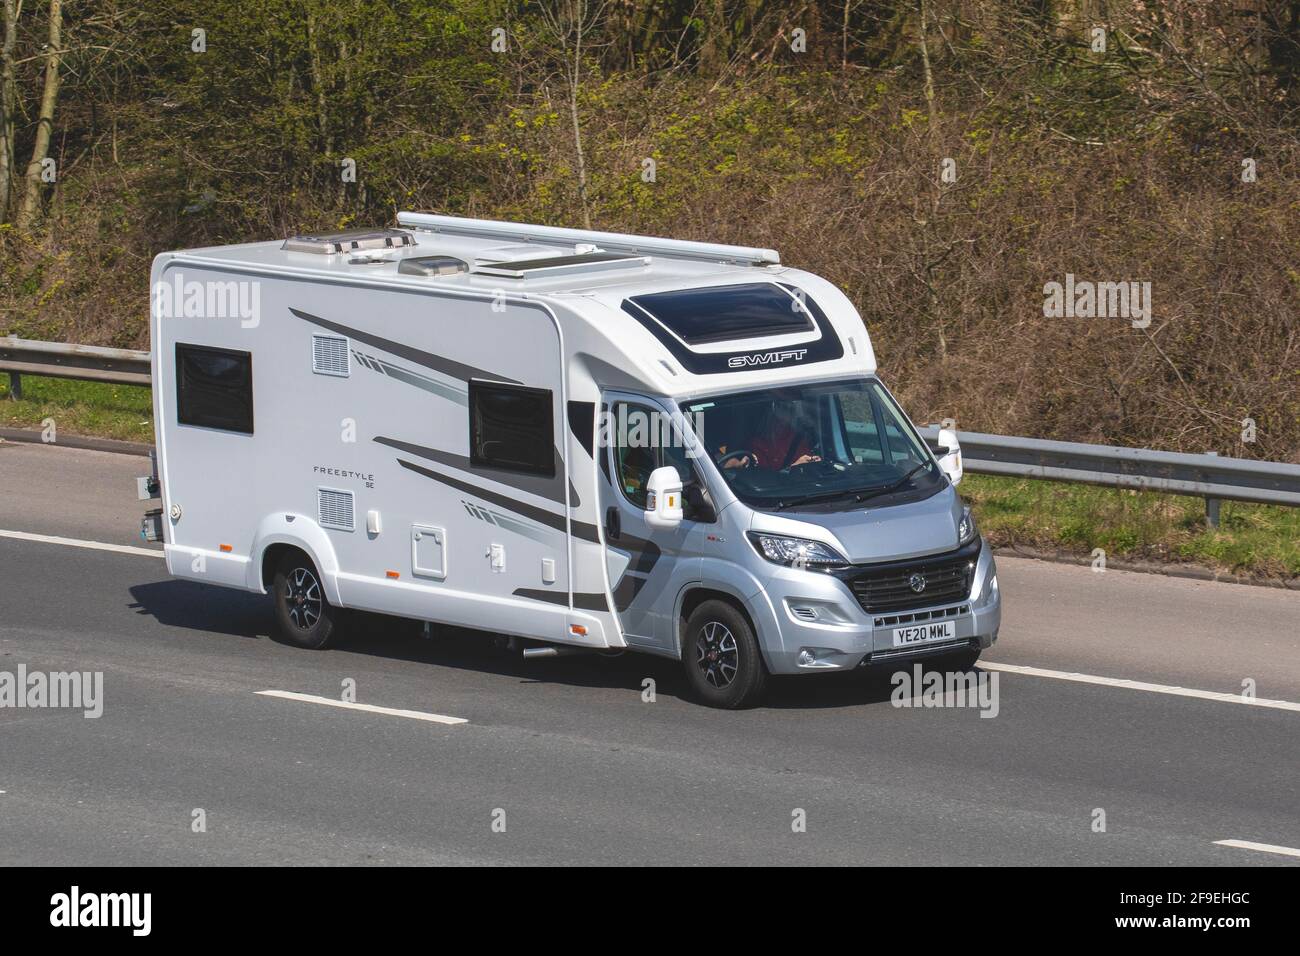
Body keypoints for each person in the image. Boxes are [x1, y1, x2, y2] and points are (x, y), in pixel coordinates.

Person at [720, 401, 820, 470]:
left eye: (790, 410)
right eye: (782, 408)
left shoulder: (795, 439)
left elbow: (809, 469)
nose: (785, 417)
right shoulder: (754, 446)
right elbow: (764, 482)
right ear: (770, 412)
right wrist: (794, 468)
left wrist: (813, 462)